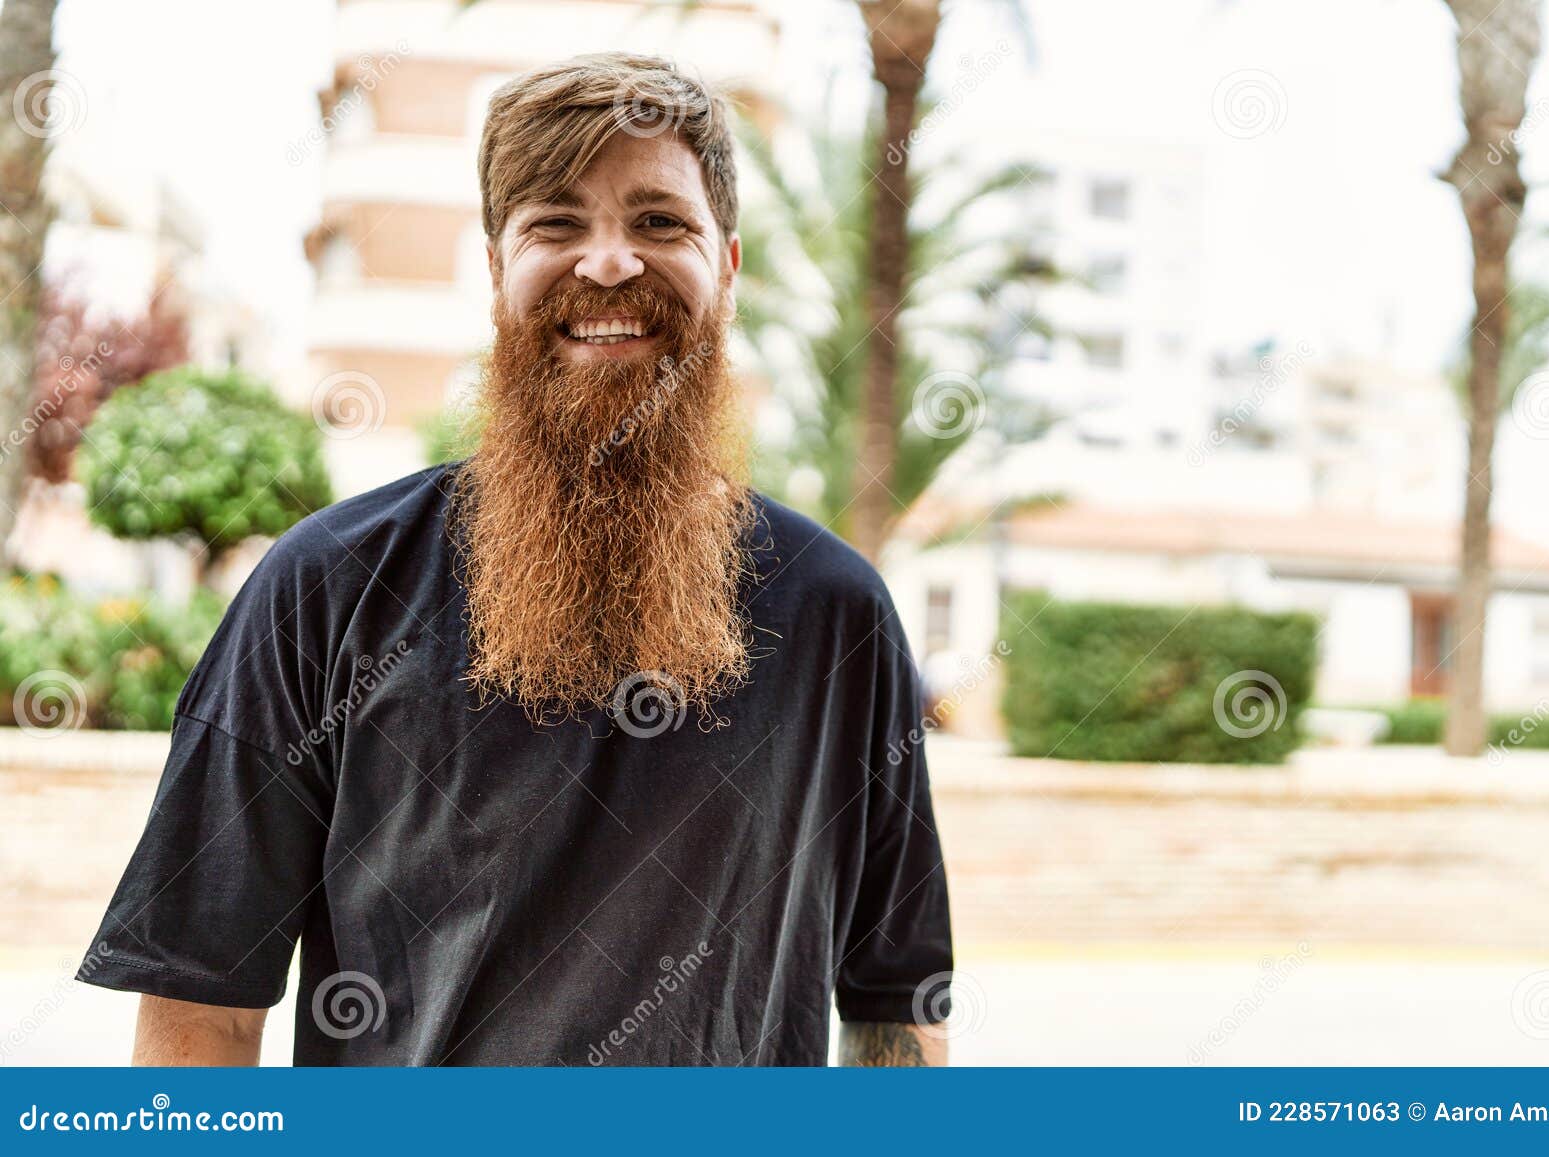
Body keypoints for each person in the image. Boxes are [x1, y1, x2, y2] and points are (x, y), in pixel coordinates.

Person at [78, 52, 953, 1067]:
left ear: (728, 264)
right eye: (556, 222)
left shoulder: (837, 612)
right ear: (496, 265)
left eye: (659, 221)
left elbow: (896, 1007)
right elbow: (202, 1007)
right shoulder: (327, 585)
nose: (611, 262)